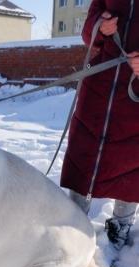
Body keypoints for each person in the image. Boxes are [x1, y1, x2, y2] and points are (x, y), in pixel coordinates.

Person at [61, 0, 139, 250]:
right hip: (99, 85)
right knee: (85, 152)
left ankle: (121, 225)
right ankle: (73, 221)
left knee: (131, 160)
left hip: (135, 93)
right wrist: (99, 27)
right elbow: (89, 27)